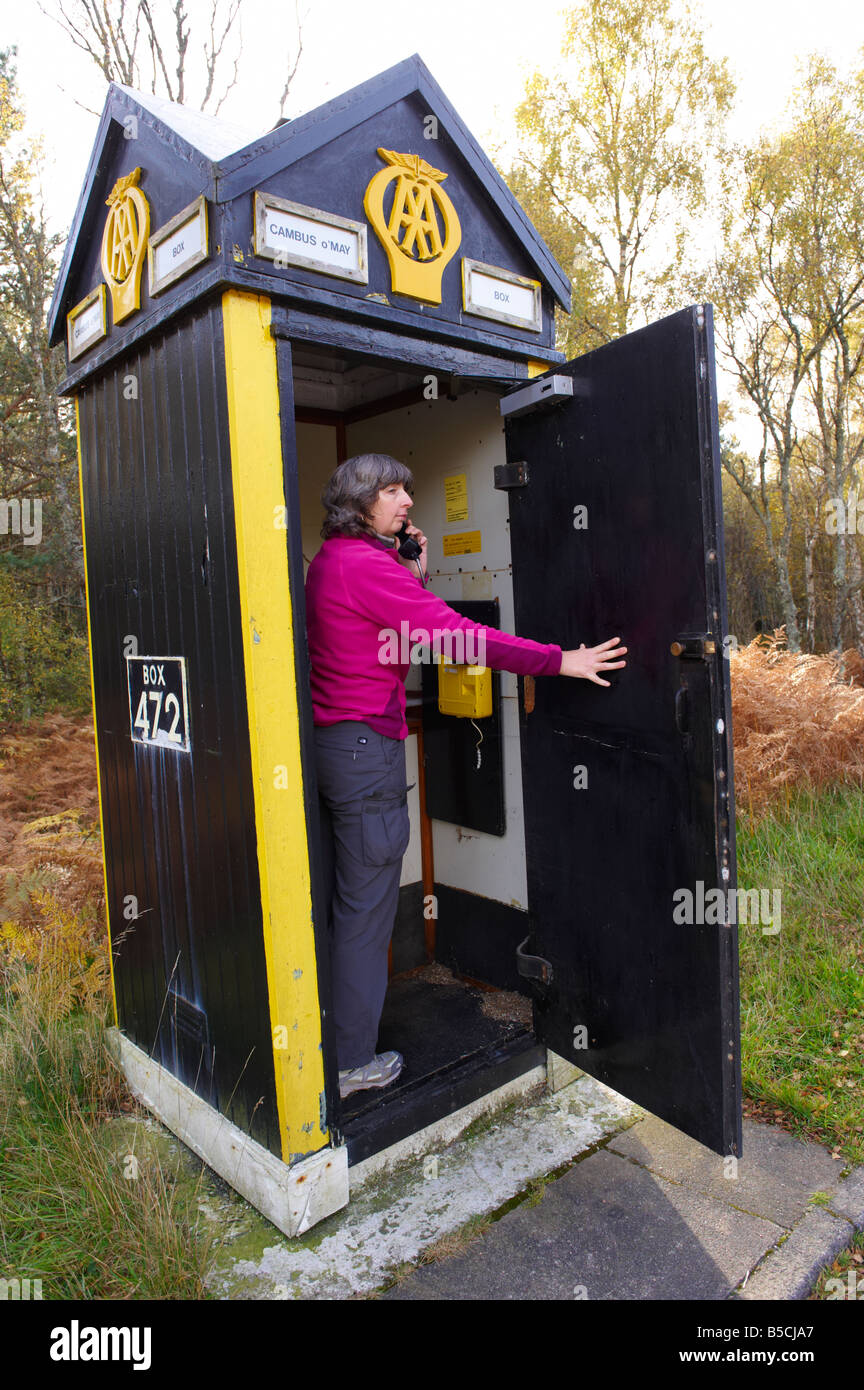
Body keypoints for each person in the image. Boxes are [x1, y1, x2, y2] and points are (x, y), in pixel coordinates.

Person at [305, 453, 627, 1099]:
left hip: (343, 745)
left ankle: (336, 1050)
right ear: (360, 501)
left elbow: (402, 630)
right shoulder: (365, 565)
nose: (406, 503)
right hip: (366, 750)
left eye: (407, 490)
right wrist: (556, 661)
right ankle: (347, 1066)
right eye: (393, 491)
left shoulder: (333, 563)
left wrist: (412, 572)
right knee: (367, 913)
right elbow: (453, 637)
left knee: (354, 905)